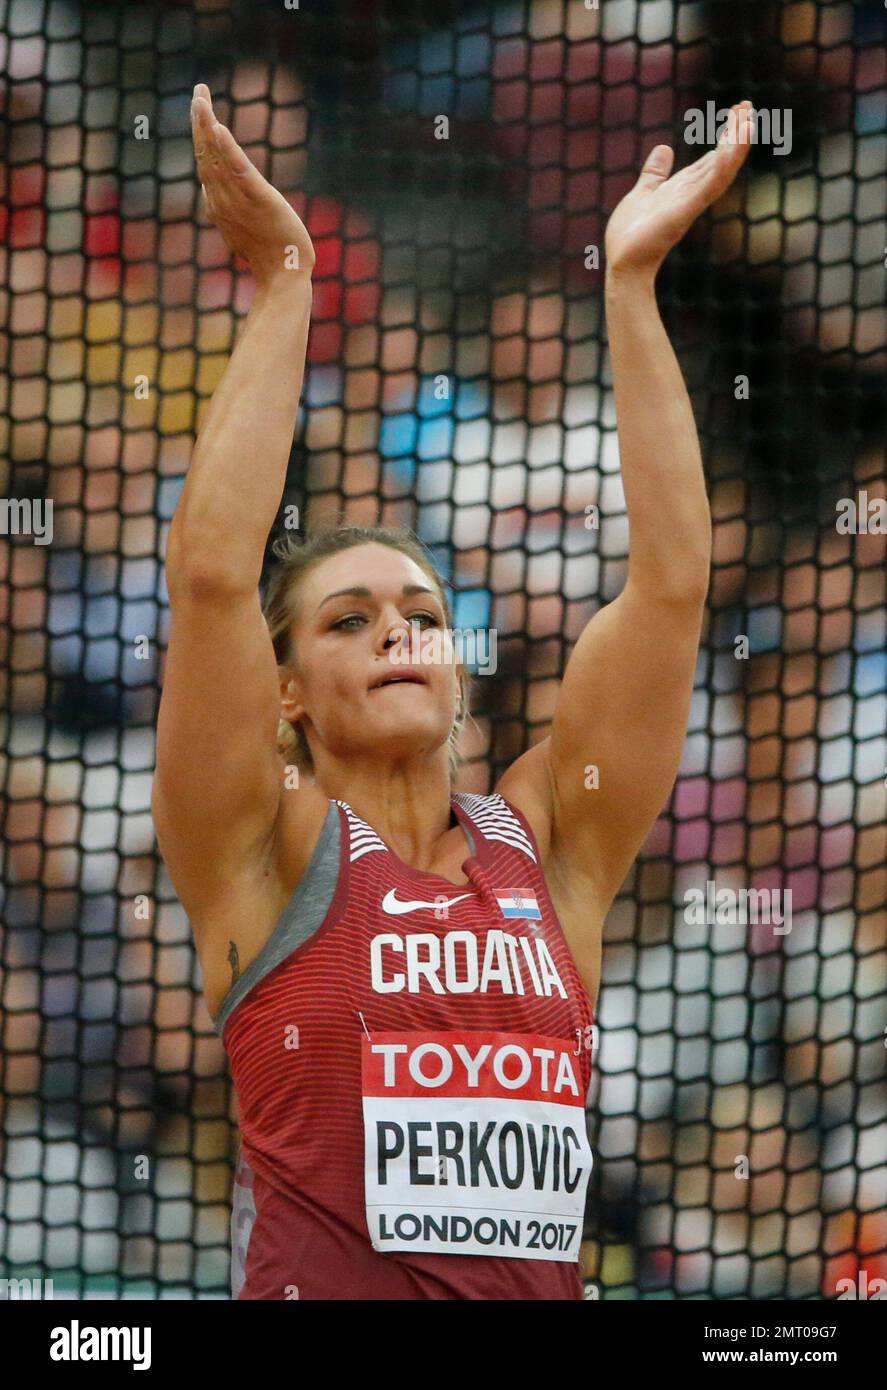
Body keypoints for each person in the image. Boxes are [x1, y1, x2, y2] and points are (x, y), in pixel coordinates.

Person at [152, 84, 753, 1299]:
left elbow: (672, 584)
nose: (398, 634)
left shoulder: (550, 838)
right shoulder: (262, 850)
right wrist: (285, 283)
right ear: (286, 694)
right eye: (349, 619)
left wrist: (629, 294)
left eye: (422, 616)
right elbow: (215, 578)